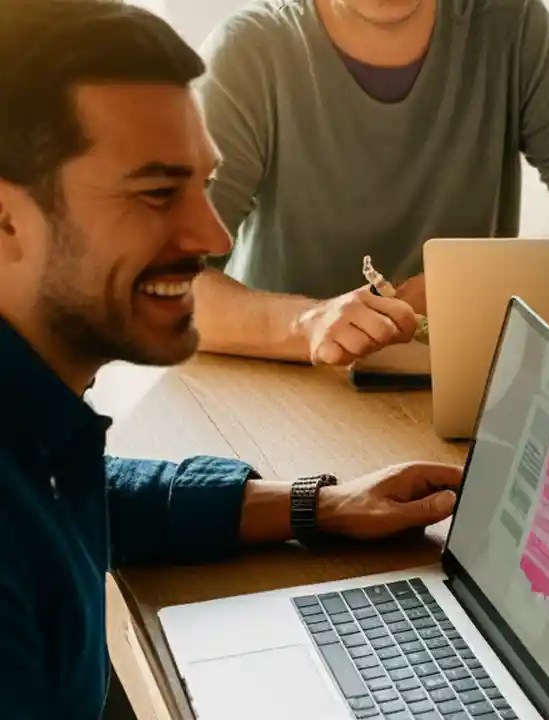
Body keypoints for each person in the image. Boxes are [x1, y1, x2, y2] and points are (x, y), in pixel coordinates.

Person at [0, 3, 466, 716]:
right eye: (157, 193)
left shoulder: (32, 438)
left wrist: (316, 505)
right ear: (6, 222)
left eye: (203, 186)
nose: (210, 233)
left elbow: (83, 491)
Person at [193, 0, 549, 366]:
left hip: (459, 384)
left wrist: (484, 281)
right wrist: (309, 324)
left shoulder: (510, 25)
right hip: (286, 391)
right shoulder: (248, 52)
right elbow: (164, 285)